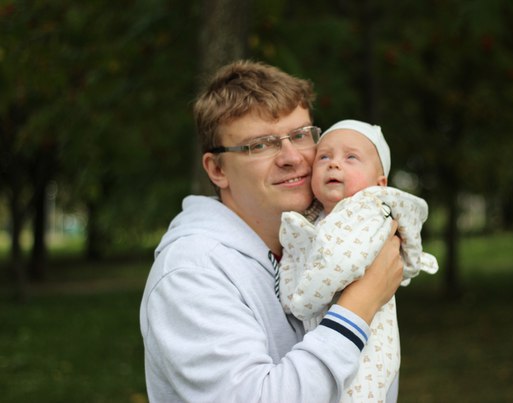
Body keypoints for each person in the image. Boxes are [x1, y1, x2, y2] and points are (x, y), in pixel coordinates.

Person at [139, 60, 404, 402]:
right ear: (217, 169)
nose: (292, 157)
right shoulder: (191, 271)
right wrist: (359, 305)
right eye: (260, 145)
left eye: (300, 135)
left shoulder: (328, 240)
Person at [278, 119, 438, 402]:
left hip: (366, 338)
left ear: (380, 183)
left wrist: (300, 299)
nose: (334, 164)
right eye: (324, 157)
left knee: (358, 390)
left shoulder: (366, 210)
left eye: (351, 157)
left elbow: (340, 262)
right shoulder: (320, 217)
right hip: (333, 335)